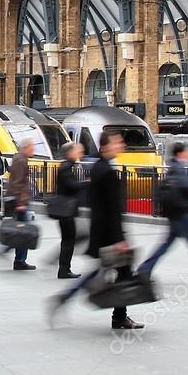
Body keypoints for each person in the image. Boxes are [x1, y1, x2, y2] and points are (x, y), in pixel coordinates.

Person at [49, 131, 144, 330]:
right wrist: (119, 239)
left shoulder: (99, 168)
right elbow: (110, 209)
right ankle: (119, 316)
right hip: (108, 235)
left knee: (103, 272)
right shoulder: (105, 171)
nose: (121, 145)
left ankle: (65, 298)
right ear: (105, 147)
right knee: (123, 273)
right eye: (117, 142)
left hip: (102, 233)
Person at [138, 142, 188, 285]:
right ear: (180, 153)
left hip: (175, 213)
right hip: (182, 214)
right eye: (187, 152)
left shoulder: (172, 167)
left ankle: (144, 269)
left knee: (167, 245)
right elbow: (186, 187)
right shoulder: (179, 168)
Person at [0, 137, 36, 271]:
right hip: (20, 202)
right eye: (32, 147)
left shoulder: (19, 159)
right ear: (26, 147)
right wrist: (21, 203)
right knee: (23, 232)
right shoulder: (21, 160)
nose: (34, 149)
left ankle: (19, 260)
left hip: (18, 200)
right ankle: (14, 257)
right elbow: (18, 183)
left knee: (21, 230)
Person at [54, 142, 85, 279]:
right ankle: (64, 269)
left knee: (68, 239)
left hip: (65, 210)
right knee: (68, 240)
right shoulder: (66, 167)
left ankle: (64, 268)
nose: (79, 154)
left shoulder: (66, 166)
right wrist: (86, 183)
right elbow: (71, 185)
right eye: (77, 151)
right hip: (65, 211)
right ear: (69, 152)